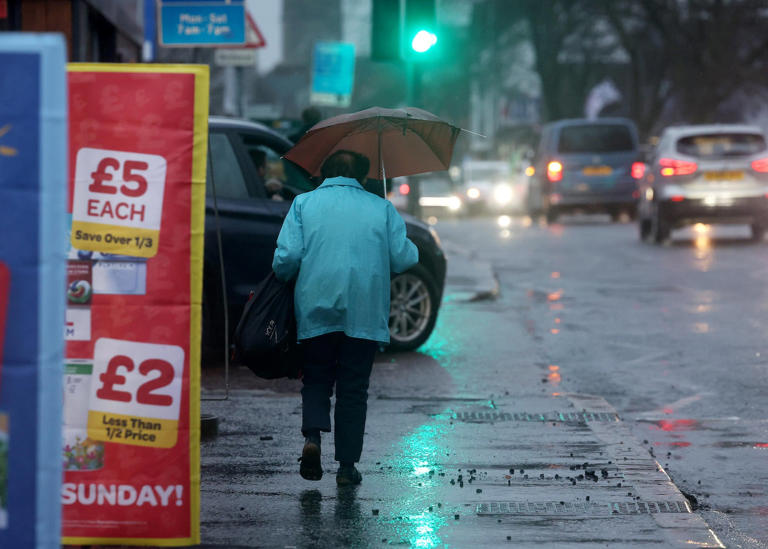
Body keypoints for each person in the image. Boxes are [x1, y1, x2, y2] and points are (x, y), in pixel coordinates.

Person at [272, 150, 418, 485]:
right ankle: (347, 467)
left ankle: (312, 439)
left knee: (317, 377)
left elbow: (287, 258)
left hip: (316, 305)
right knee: (354, 388)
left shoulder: (304, 204)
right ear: (364, 176)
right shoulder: (381, 207)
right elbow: (404, 258)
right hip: (364, 312)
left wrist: (285, 273)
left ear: (325, 171)